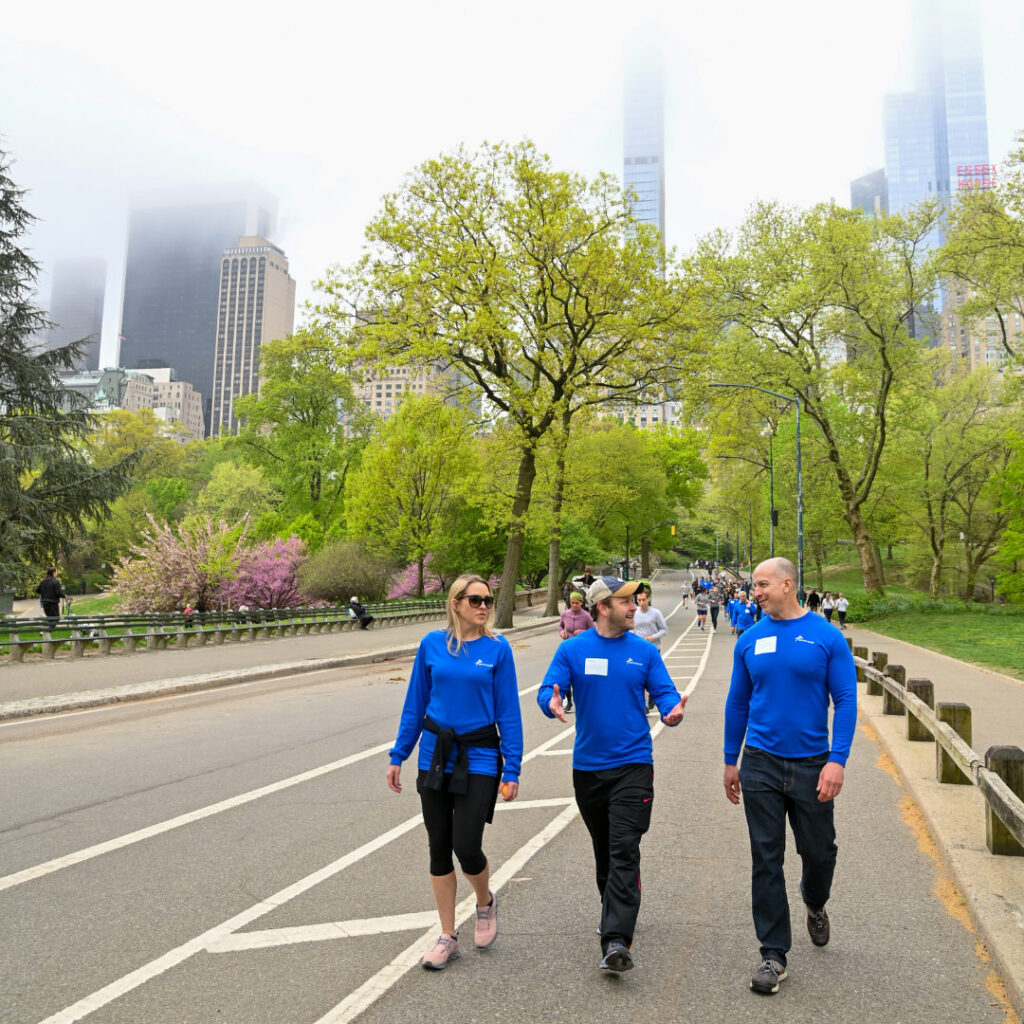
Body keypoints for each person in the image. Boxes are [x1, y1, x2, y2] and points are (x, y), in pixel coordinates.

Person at [723, 557, 856, 996]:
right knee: (766, 858)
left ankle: (815, 902)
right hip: (760, 762)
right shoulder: (750, 639)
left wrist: (837, 760)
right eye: (753, 586)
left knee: (819, 853)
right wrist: (731, 759)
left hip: (812, 764)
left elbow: (846, 700)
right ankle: (773, 953)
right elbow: (737, 702)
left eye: (761, 585)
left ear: (787, 584)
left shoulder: (826, 636)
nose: (754, 592)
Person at [538, 576, 686, 974]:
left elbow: (666, 693)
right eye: (625, 601)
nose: (635, 606)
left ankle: (616, 939)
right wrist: (549, 700)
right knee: (605, 849)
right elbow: (549, 688)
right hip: (588, 768)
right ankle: (617, 904)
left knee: (624, 847)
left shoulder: (644, 651)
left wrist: (673, 710)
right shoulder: (572, 649)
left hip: (634, 764)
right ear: (602, 607)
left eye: (636, 600)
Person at [387, 574, 524, 970]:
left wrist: (511, 768)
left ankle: (484, 901)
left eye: (488, 600)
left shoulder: (498, 649)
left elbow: (509, 715)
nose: (483, 606)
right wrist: (399, 754)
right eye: (475, 600)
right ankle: (447, 936)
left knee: (466, 845)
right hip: (434, 756)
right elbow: (416, 703)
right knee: (438, 845)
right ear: (456, 603)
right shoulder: (432, 645)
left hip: (480, 757)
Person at [632, 587, 668, 711]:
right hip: (639, 649)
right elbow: (632, 630)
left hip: (653, 648)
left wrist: (653, 637)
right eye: (639, 600)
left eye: (643, 600)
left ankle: (651, 697)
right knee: (640, 676)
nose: (641, 603)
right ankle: (645, 703)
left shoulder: (656, 613)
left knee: (652, 676)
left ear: (649, 599)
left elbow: (664, 630)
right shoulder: (634, 613)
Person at [558, 592, 595, 711]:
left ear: (581, 603)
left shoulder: (586, 616)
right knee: (566, 675)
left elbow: (594, 630)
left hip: (582, 649)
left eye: (576, 603)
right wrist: (562, 633)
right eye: (572, 603)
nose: (574, 605)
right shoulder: (565, 614)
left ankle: (583, 700)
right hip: (568, 648)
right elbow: (560, 626)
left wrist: (582, 632)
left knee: (580, 676)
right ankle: (568, 701)